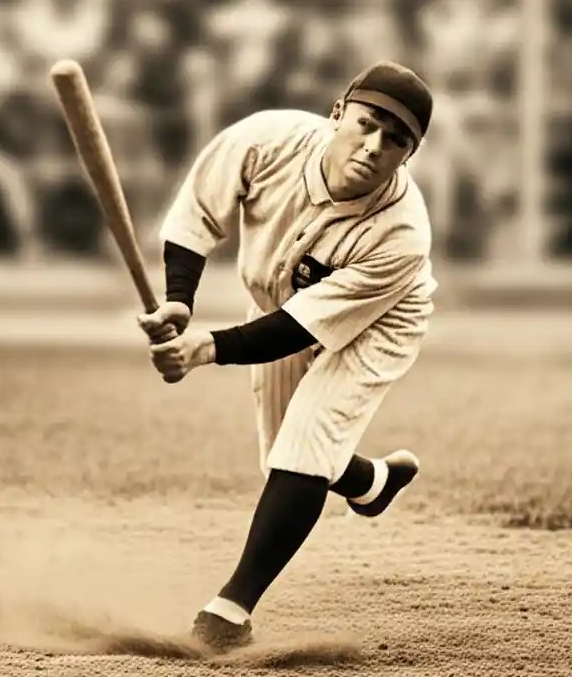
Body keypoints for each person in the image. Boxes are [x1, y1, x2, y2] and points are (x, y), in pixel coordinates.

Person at [136, 61, 435, 652]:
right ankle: (370, 482)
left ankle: (227, 613)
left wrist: (205, 349)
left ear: (408, 155)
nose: (375, 146)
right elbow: (198, 213)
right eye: (368, 123)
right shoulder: (266, 141)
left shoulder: (401, 233)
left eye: (396, 139)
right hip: (282, 307)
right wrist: (178, 303)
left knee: (305, 447)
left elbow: (299, 328)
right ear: (338, 114)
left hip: (381, 320)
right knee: (287, 457)